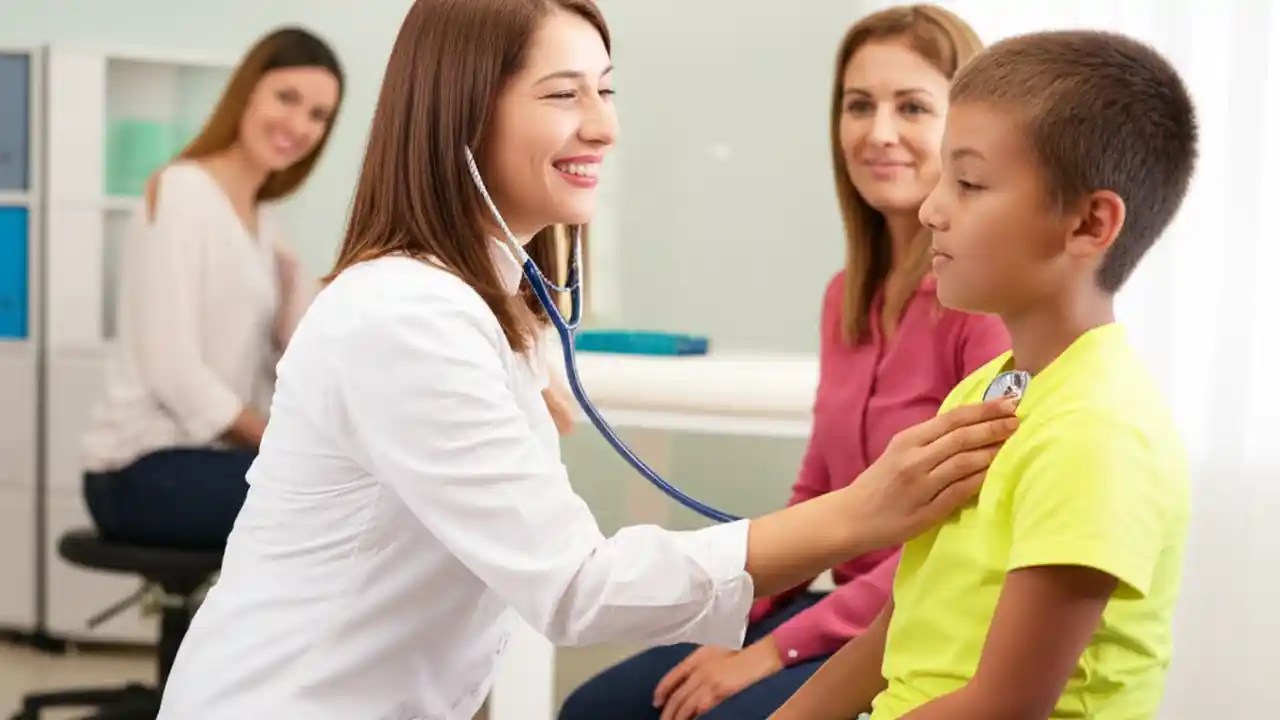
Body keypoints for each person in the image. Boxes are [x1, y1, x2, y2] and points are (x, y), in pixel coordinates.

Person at [154, 2, 1019, 718]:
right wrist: (860, 516)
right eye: (565, 94)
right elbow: (575, 585)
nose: (604, 125)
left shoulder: (479, 307)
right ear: (463, 111)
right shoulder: (405, 316)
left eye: (606, 92)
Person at [560, 6, 1009, 719]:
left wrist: (774, 649)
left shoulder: (985, 307)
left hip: (917, 627)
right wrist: (733, 617)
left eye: (912, 107)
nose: (878, 132)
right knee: (598, 708)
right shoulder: (845, 298)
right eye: (858, 105)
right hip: (835, 614)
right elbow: (818, 496)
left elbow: (954, 547)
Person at [774, 28, 1196, 720]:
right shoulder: (988, 391)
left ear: (1090, 224)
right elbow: (897, 631)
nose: (934, 208)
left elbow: (1003, 704)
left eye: (968, 184)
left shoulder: (1096, 434)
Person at [79, 27, 344, 550]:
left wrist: (301, 284)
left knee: (345, 494)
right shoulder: (182, 192)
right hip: (139, 471)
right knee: (331, 509)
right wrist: (276, 443)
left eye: (318, 115)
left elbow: (291, 357)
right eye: (286, 98)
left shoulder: (265, 222)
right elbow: (172, 370)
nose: (299, 125)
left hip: (205, 459)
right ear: (247, 92)